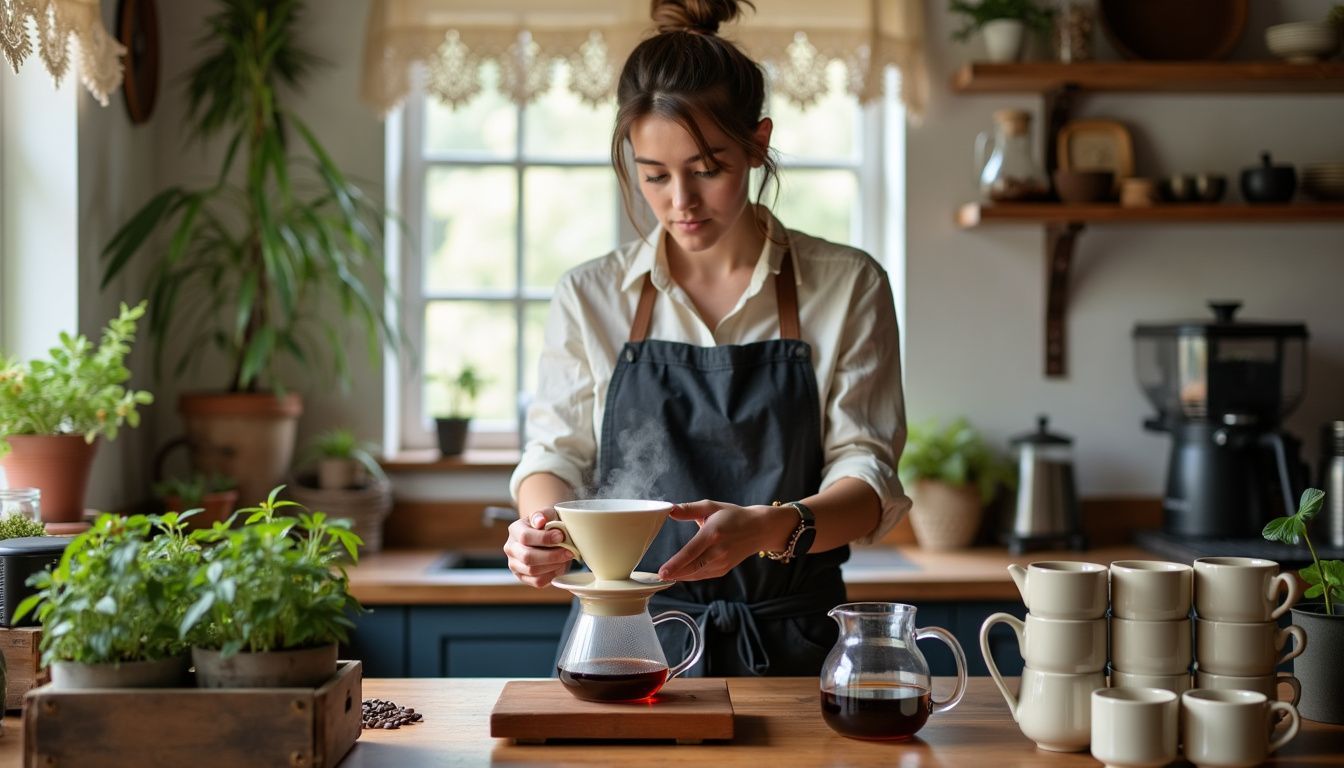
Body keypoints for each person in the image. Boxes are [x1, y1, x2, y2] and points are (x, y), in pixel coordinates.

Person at [504, 0, 909, 677]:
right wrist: (540, 527)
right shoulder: (591, 295)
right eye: (654, 175)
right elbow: (557, 452)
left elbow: (867, 478)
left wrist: (768, 528)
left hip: (794, 644)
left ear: (757, 144)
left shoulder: (847, 285)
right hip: (625, 643)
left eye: (708, 168)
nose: (680, 202)